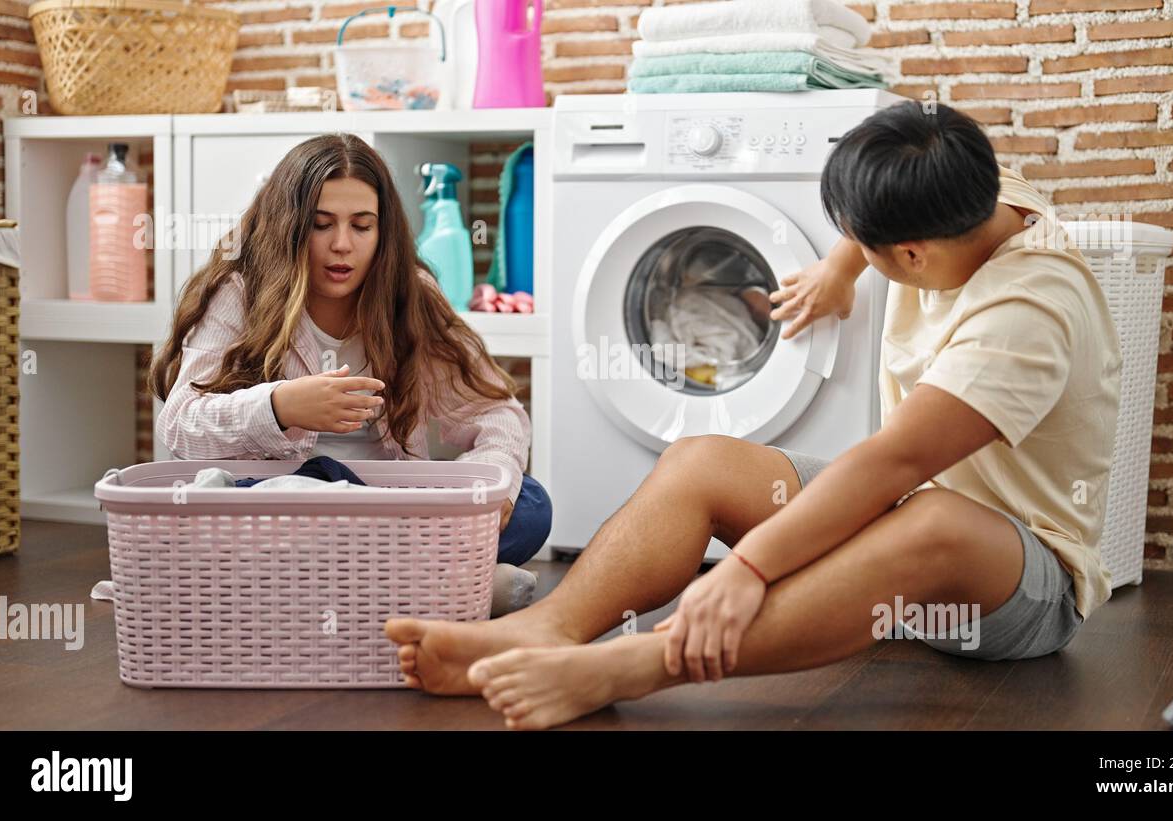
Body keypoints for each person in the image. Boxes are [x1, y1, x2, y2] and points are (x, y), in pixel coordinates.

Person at [384, 101, 1121, 729]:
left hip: (1013, 589)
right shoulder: (972, 186)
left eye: (866, 247)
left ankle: (629, 665)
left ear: (914, 254)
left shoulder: (1026, 312)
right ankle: (547, 627)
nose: (857, 251)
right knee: (704, 456)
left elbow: (893, 461)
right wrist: (839, 269)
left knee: (936, 523)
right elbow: (891, 213)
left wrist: (746, 570)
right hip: (904, 516)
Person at [149, 133, 552, 576]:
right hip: (280, 498)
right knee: (302, 486)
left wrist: (493, 485)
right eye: (322, 224)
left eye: (362, 226)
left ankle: (353, 575)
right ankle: (438, 579)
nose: (342, 244)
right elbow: (180, 424)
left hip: (383, 502)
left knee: (530, 504)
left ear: (383, 231)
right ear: (290, 225)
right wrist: (279, 406)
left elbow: (495, 411)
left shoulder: (411, 295)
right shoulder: (240, 293)